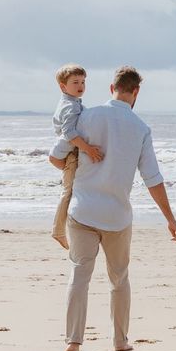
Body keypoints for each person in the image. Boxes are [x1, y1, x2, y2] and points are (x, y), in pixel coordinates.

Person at [49, 66, 176, 351]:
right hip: (117, 217)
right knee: (119, 279)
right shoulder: (141, 129)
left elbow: (56, 156)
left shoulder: (86, 116)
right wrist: (170, 219)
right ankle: (120, 341)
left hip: (83, 210)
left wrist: (78, 166)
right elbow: (153, 179)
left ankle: (73, 342)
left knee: (79, 276)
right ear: (136, 92)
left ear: (112, 89)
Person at [49, 64, 103, 249]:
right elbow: (69, 133)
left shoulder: (72, 102)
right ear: (63, 86)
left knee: (74, 190)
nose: (81, 86)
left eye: (83, 82)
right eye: (75, 82)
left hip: (69, 153)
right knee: (68, 192)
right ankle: (58, 231)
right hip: (71, 154)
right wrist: (88, 149)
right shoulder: (71, 106)